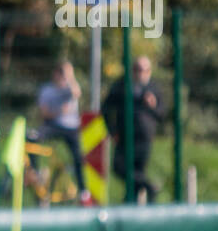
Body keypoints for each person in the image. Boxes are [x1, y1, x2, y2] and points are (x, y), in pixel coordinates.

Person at [101, 55, 166, 202]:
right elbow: (105, 108)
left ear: (149, 72)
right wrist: (112, 130)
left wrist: (153, 106)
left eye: (144, 70)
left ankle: (134, 208)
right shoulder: (121, 86)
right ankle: (149, 187)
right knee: (119, 168)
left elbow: (162, 114)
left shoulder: (153, 88)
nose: (140, 74)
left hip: (144, 138)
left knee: (136, 177)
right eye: (137, 69)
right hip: (124, 137)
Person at [32, 60, 92, 204]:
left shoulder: (71, 88)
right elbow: (45, 113)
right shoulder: (47, 90)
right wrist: (59, 111)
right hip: (52, 125)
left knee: (78, 157)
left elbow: (77, 92)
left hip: (70, 128)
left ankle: (83, 190)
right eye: (62, 73)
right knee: (32, 137)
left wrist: (70, 76)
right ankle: (35, 172)